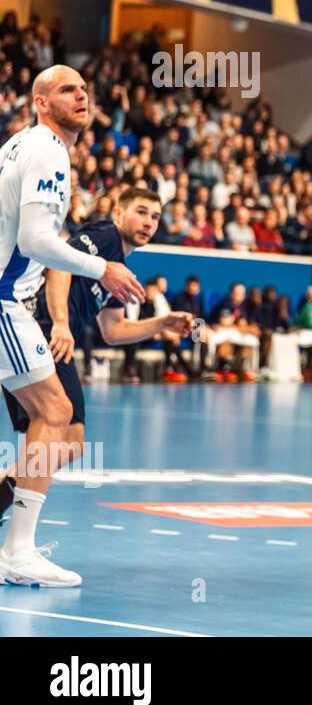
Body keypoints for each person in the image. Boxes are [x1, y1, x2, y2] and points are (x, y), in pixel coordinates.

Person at [0, 65, 145, 587]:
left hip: (9, 300)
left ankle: (17, 548)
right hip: (3, 300)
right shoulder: (47, 151)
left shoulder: (22, 146)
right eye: (67, 90)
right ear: (41, 102)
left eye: (85, 90)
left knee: (56, 413)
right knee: (56, 411)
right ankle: (16, 553)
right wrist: (101, 267)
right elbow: (38, 241)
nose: (81, 96)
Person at [2, 189, 193, 523]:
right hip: (44, 329)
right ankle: (18, 533)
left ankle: (8, 498)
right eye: (141, 212)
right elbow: (58, 266)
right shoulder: (106, 236)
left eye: (155, 217)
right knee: (63, 433)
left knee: (65, 441)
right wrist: (61, 323)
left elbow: (113, 331)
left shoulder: (118, 268)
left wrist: (162, 323)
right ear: (118, 213)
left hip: (53, 336)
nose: (148, 222)